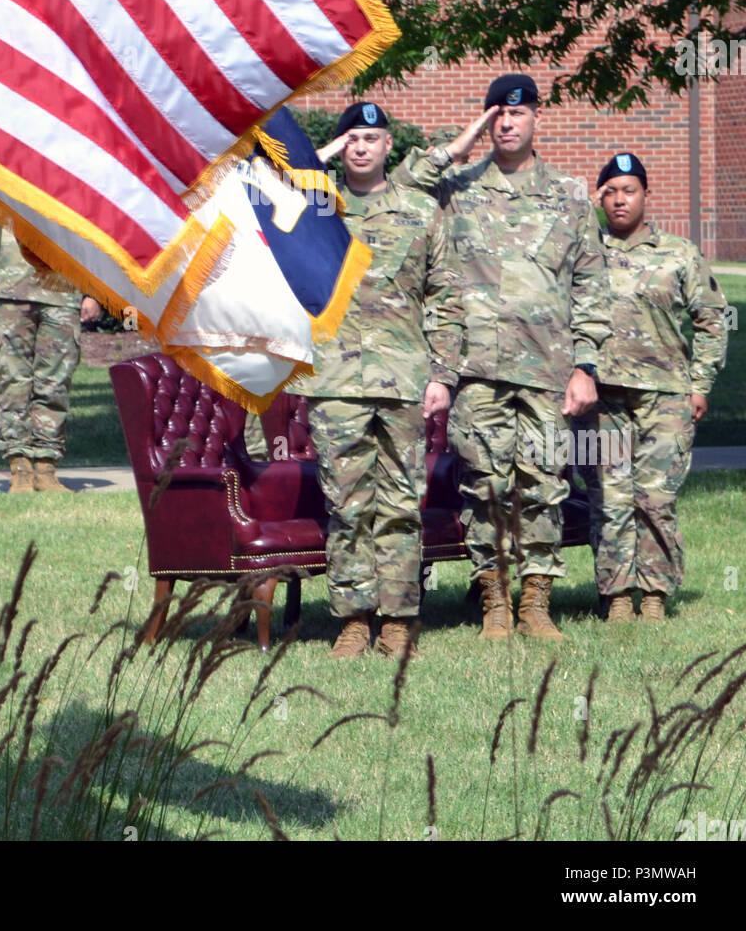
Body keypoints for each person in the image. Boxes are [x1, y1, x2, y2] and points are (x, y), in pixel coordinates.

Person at [397, 74, 611, 640]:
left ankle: (536, 601)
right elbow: (402, 183)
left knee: (543, 485)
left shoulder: (569, 195)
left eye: (517, 114)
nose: (508, 124)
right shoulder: (458, 188)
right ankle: (493, 599)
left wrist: (587, 366)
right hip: (478, 371)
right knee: (483, 485)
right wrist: (458, 144)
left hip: (548, 370)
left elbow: (592, 287)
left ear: (537, 117)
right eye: (497, 115)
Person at [303, 102, 464, 658]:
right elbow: (258, 197)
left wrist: (442, 375)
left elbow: (445, 298)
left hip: (404, 379)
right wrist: (317, 158)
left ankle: (397, 618)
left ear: (390, 145)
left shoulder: (422, 212)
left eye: (372, 138)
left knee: (399, 504)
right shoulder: (315, 207)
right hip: (335, 380)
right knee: (347, 505)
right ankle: (352, 618)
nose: (362, 148)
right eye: (352, 139)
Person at [586, 152, 728, 622]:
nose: (620, 199)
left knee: (656, 498)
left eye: (629, 190)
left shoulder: (679, 252)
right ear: (599, 197)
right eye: (610, 191)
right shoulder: (586, 250)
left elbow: (711, 320)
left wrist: (700, 383)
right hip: (602, 395)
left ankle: (654, 593)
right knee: (610, 497)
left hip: (666, 395)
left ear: (646, 195)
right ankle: (617, 594)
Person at [0, 234, 101, 493]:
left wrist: (94, 292)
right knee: (12, 382)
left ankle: (45, 469)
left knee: (55, 384)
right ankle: (19, 468)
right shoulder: (0, 191)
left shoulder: (74, 192)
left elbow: (93, 233)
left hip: (64, 293)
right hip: (9, 290)